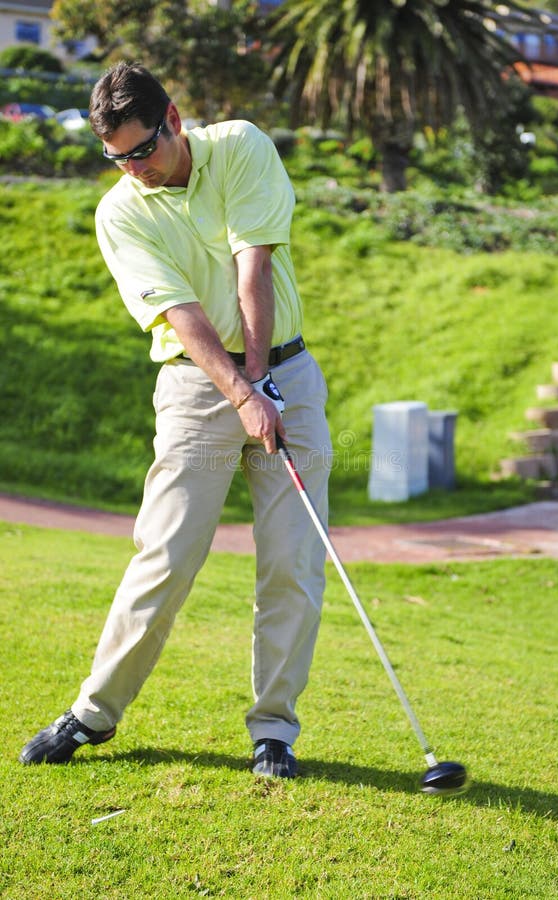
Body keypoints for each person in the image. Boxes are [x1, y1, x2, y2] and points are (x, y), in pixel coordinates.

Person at [19, 62, 331, 779]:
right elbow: (184, 318)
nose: (132, 168)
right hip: (195, 385)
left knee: (294, 559)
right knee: (166, 553)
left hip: (289, 371)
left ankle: (273, 732)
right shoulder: (120, 210)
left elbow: (253, 265)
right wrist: (243, 393)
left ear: (175, 121)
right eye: (116, 157)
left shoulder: (243, 144)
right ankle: (93, 714)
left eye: (142, 150)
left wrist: (264, 384)